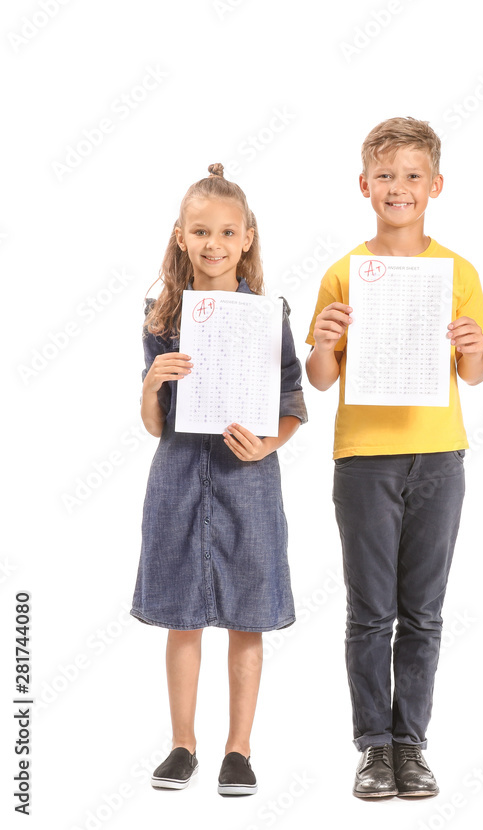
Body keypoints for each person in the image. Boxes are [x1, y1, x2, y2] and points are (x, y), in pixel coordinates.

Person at [304, 117, 483, 799]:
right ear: (364, 185)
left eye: (413, 175)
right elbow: (321, 379)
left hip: (440, 456)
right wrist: (323, 341)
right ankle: (372, 746)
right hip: (364, 460)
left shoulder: (458, 272)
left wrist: (472, 344)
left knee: (424, 611)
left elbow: (476, 375)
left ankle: (410, 743)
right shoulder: (344, 273)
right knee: (368, 611)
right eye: (385, 175)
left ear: (435, 185)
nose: (399, 187)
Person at [133, 164, 307, 796]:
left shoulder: (268, 313)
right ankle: (183, 743)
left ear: (247, 237)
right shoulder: (161, 316)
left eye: (226, 232)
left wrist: (268, 445)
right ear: (181, 237)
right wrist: (154, 384)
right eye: (200, 232)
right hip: (180, 477)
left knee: (247, 617)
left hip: (248, 481)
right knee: (183, 614)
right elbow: (156, 426)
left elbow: (293, 402)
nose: (213, 244)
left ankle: (240, 748)